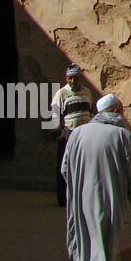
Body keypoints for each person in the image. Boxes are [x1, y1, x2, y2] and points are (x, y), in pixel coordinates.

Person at [61, 93, 131, 261]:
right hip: (108, 197)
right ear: (117, 111)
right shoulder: (121, 135)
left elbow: (64, 169)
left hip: (79, 199)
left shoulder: (77, 133)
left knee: (83, 242)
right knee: (103, 245)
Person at [51, 65, 93, 206]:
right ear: (66, 78)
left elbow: (90, 112)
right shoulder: (61, 94)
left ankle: (81, 197)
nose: (73, 81)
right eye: (70, 78)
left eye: (75, 78)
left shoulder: (87, 93)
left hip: (84, 136)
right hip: (68, 135)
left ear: (80, 78)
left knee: (83, 166)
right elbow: (55, 115)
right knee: (65, 166)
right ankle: (63, 198)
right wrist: (61, 133)